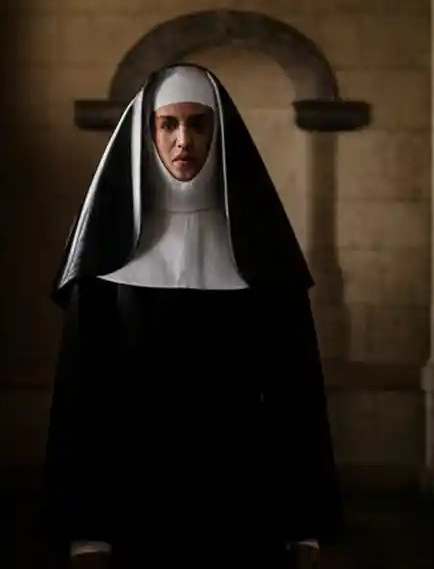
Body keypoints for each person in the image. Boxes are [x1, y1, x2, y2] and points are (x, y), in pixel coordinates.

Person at [43, 63, 343, 568]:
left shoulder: (261, 255)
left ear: (218, 133)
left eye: (199, 124)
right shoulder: (107, 262)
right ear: (149, 134)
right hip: (132, 501)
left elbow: (297, 397)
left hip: (241, 503)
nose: (185, 139)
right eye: (169, 125)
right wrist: (86, 533)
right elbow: (80, 401)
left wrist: (304, 525)